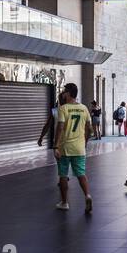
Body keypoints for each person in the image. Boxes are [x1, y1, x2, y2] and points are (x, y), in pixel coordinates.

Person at [54, 84, 93, 213]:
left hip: (65, 148)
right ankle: (87, 195)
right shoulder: (84, 108)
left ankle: (64, 202)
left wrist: (55, 145)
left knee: (63, 175)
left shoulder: (63, 108)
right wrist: (85, 141)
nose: (63, 94)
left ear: (69, 93)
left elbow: (60, 127)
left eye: (65, 91)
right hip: (80, 148)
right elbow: (90, 129)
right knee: (81, 173)